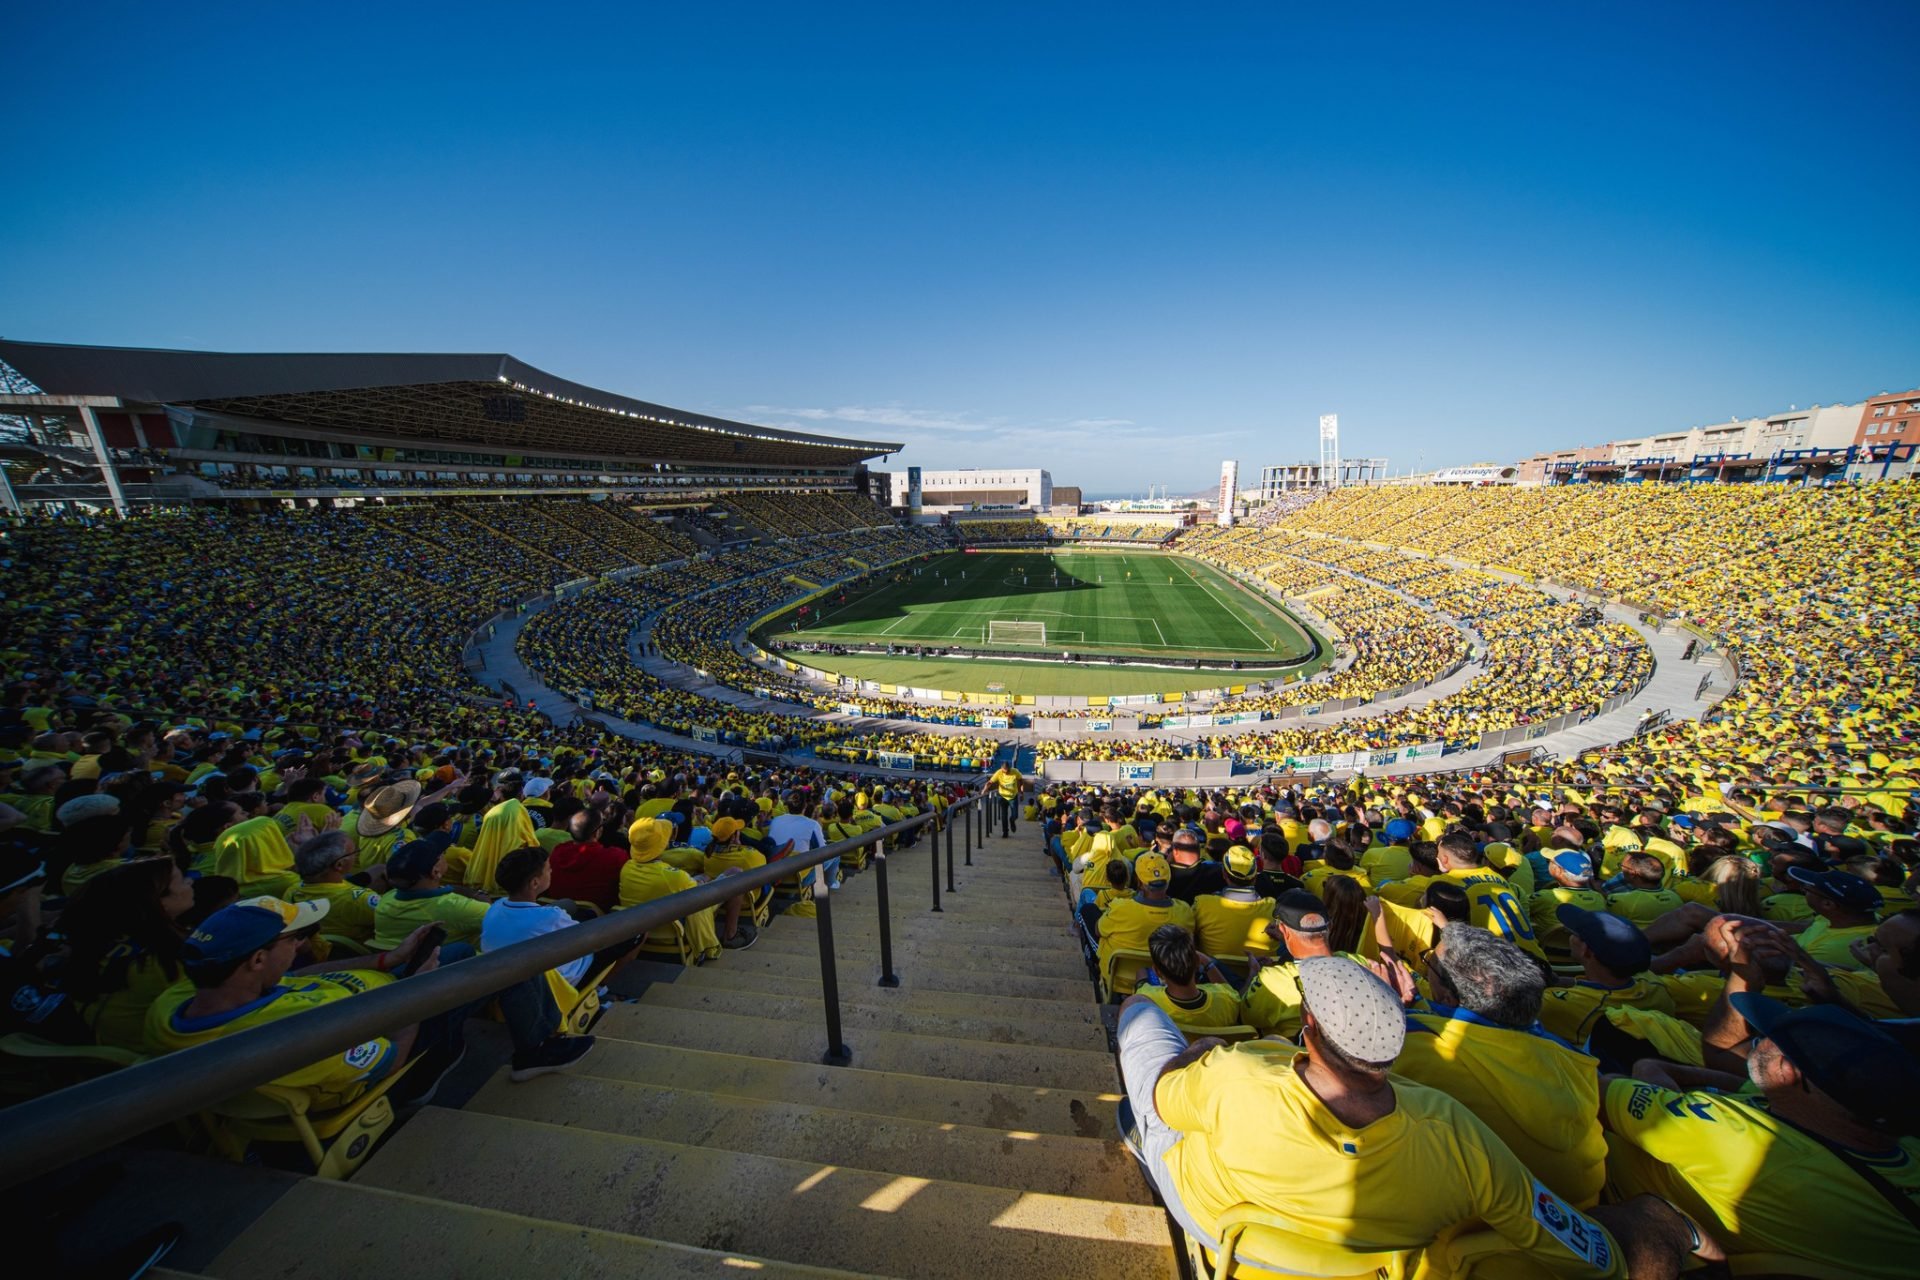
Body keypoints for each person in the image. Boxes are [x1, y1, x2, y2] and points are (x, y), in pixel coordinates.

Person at [1116, 956, 1687, 1278]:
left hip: (1209, 1210)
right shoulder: (1459, 1135)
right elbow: (1590, 1252)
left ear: (1308, 1027)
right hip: (1316, 1262)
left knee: (1140, 1019)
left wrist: (1203, 1050)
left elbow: (1166, 1093)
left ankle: (1138, 1134)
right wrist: (1669, 1228)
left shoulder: (1240, 1072)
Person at [1601, 991, 1920, 1275]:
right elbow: (1744, 1087)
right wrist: (1653, 1071)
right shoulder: (1895, 1141)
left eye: (1761, 1034)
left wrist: (1646, 1073)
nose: (1755, 1037)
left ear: (1786, 1070)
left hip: (1629, 1211)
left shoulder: (1737, 1139)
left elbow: (1594, 1093)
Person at [1388, 925, 1609, 1207]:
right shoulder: (1566, 1054)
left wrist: (1390, 1008)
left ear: (1447, 998)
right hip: (1583, 1204)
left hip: (1488, 1221)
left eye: (1431, 961)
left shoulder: (1417, 1042)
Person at [60, 856, 197, 1050]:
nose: (190, 882)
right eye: (182, 880)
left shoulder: (91, 944)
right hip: (154, 1055)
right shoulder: (164, 961)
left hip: (110, 1044)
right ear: (159, 903)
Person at [1538, 905, 1678, 1048]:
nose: (1570, 934)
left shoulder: (1555, 1004)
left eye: (1574, 933)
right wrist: (1558, 981)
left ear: (1586, 951)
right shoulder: (1655, 984)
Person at [1242, 889, 1363, 1040]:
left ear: (1283, 931)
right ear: (1330, 926)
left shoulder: (1271, 980)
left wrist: (1253, 973)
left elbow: (1246, 1017)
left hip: (1290, 1058)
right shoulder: (1360, 963)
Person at [618, 816, 720, 961]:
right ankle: (707, 949)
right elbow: (700, 896)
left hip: (636, 932)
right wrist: (703, 879)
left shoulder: (626, 868)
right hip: (669, 935)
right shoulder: (674, 877)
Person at [1095, 852, 1195, 996]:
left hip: (1118, 982)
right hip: (1166, 984)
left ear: (1139, 882)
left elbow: (1098, 931)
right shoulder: (1185, 912)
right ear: (1168, 880)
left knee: (1088, 912)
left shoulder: (1121, 908)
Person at [372, 835, 490, 953]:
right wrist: (483, 897)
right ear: (435, 872)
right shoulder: (454, 907)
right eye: (442, 854)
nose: (444, 855)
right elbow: (498, 917)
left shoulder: (387, 899)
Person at [1138, 923, 1244, 1033]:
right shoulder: (1226, 999)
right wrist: (1208, 962)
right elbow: (1228, 990)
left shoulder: (1148, 998)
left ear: (1157, 972)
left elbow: (1141, 977)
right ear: (1198, 962)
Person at [1781, 866, 1883, 970]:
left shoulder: (1833, 950)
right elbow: (1805, 926)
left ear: (1827, 904)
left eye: (1807, 888)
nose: (1803, 890)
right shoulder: (1849, 917)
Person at [290, 831, 381, 944]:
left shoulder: (292, 891)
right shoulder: (358, 900)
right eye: (355, 852)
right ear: (339, 865)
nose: (356, 854)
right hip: (357, 951)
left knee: (378, 870)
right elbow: (389, 917)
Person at [1190, 846, 1275, 962]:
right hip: (1264, 977)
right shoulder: (1274, 907)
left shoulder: (1202, 904)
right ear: (1255, 877)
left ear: (1224, 874)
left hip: (1214, 977)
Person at [547, 807, 629, 912]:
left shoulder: (557, 852)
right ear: (597, 832)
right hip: (598, 922)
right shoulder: (615, 857)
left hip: (558, 915)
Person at [703, 817, 766, 949]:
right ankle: (732, 933)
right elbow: (764, 863)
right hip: (745, 901)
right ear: (733, 837)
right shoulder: (748, 856)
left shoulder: (708, 854)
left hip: (717, 897)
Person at [987, 762, 1024, 832]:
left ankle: (1012, 821)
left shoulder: (1015, 771)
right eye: (1004, 772)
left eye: (1007, 772)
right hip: (1002, 796)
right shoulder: (999, 772)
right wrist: (983, 791)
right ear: (1001, 769)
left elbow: (1021, 781)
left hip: (1013, 797)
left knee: (1015, 815)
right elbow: (990, 782)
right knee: (1004, 816)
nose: (1005, 773)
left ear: (1009, 769)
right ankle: (1005, 831)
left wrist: (1022, 793)